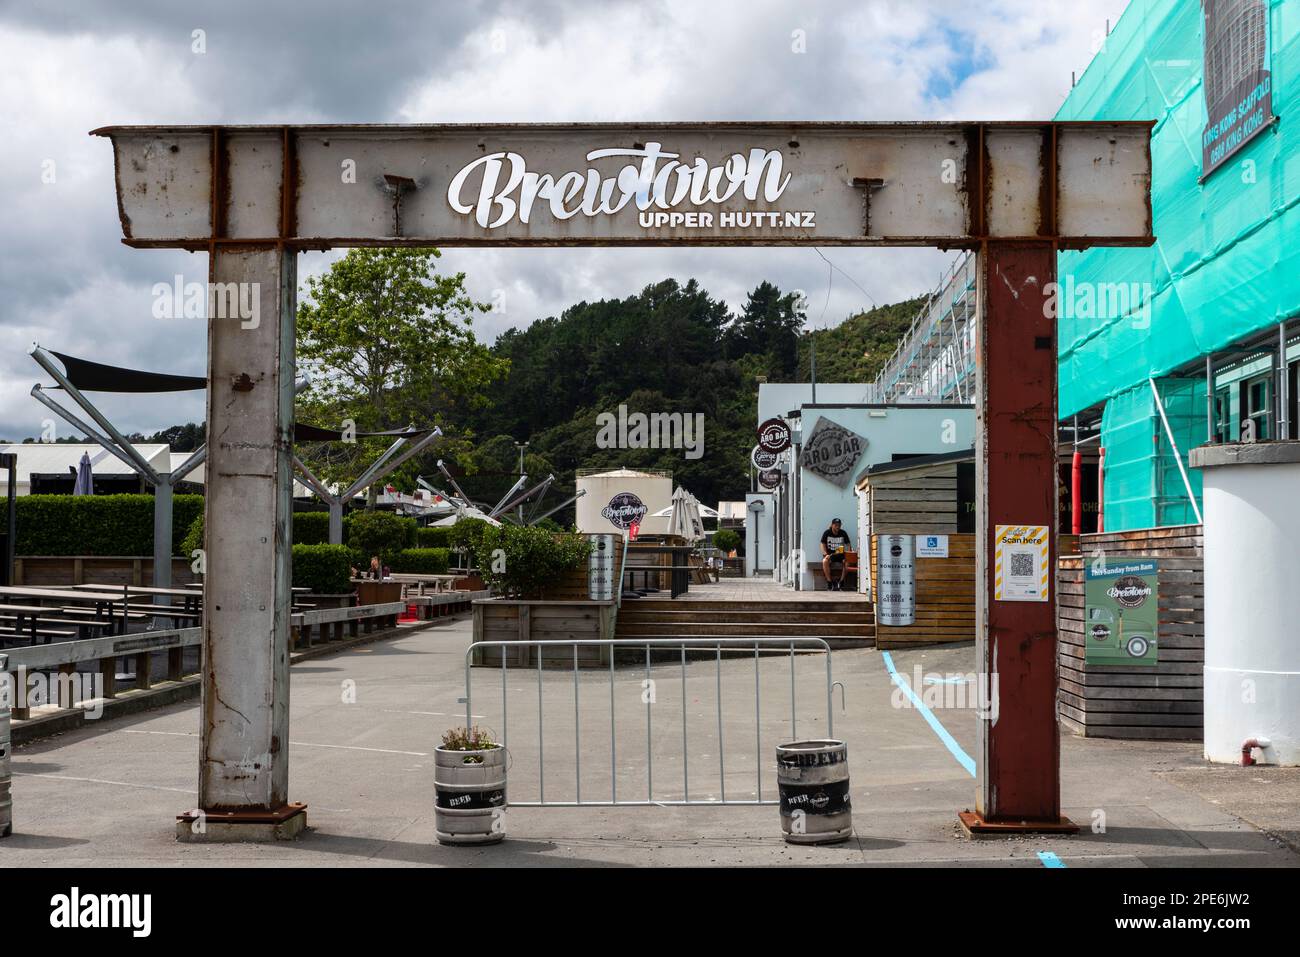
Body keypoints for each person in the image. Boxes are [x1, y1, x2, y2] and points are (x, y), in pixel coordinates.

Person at [819, 518, 849, 591]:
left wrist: (848, 555)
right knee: (824, 561)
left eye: (839, 525)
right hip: (830, 555)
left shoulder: (843, 533)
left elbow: (848, 545)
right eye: (836, 525)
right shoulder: (827, 533)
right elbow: (822, 544)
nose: (837, 527)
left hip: (840, 554)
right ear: (832, 525)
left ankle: (841, 582)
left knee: (848, 563)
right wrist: (825, 554)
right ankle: (829, 582)